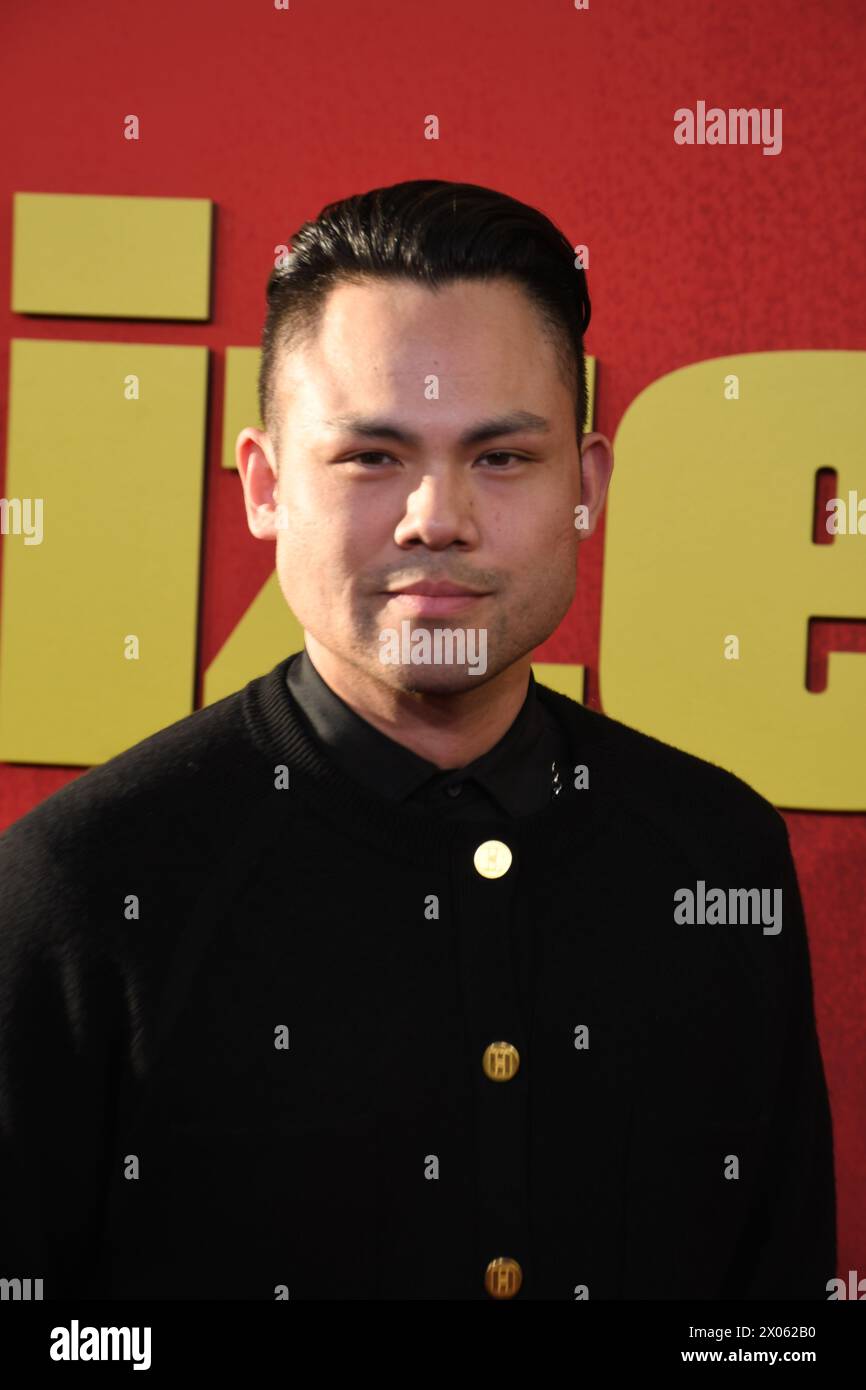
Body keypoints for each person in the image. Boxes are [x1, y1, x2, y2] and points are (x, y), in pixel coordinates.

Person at [0, 180, 835, 1301]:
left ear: (585, 488)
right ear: (263, 484)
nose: (435, 516)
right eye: (370, 457)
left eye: (500, 458)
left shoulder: (716, 855)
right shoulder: (81, 886)